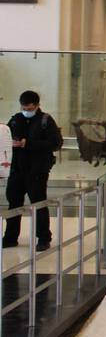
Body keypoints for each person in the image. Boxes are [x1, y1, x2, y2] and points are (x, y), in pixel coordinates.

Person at [2, 91, 62, 252]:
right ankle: (10, 237)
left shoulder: (46, 121)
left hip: (37, 170)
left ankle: (43, 237)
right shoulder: (16, 119)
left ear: (37, 105)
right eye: (23, 107)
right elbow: (5, 138)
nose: (26, 110)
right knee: (14, 202)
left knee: (38, 203)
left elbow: (55, 143)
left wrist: (27, 144)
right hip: (17, 169)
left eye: (29, 107)